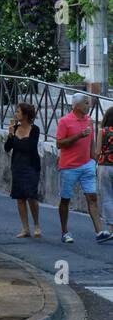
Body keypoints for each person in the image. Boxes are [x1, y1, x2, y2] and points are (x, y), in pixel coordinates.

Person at [55, 95, 113, 244]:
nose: (89, 105)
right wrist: (78, 135)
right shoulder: (64, 121)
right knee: (65, 199)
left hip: (87, 164)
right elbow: (59, 144)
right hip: (69, 166)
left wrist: (94, 159)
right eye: (86, 103)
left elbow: (92, 141)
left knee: (92, 197)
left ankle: (99, 231)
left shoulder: (89, 120)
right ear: (77, 106)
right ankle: (64, 231)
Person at [7, 103, 43, 239]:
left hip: (31, 166)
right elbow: (7, 147)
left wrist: (17, 142)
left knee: (31, 196)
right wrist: (10, 135)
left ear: (25, 115)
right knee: (20, 197)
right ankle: (25, 228)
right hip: (17, 166)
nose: (15, 114)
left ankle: (37, 225)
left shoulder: (35, 129)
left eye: (18, 112)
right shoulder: (14, 128)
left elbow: (30, 146)